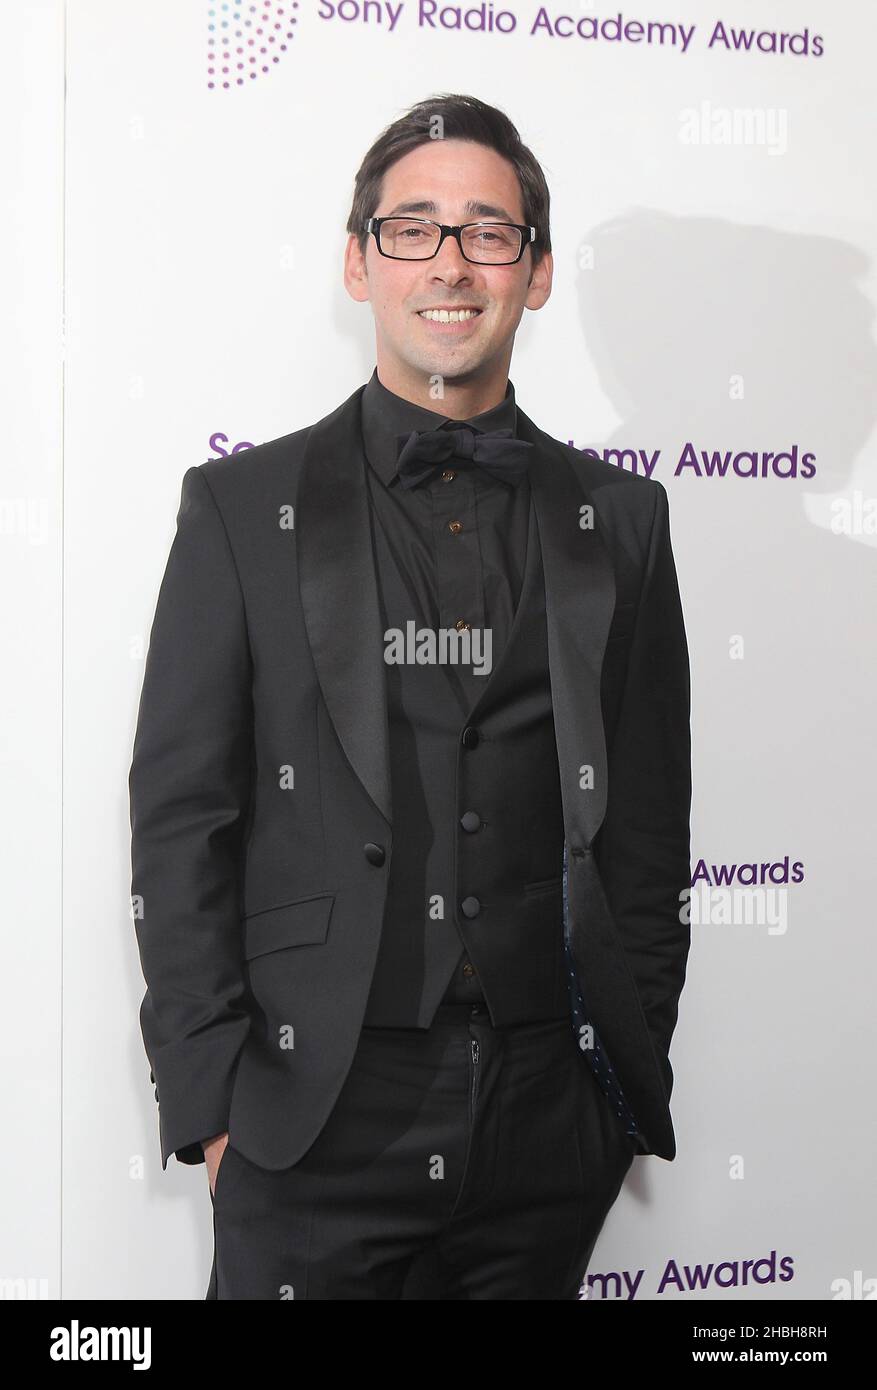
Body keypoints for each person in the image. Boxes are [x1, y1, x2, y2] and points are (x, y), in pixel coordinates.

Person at [129, 92, 692, 1300]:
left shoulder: (624, 523)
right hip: (310, 1114)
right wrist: (214, 1101)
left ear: (532, 275)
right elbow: (184, 818)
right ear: (357, 262)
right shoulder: (240, 512)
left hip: (548, 1119)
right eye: (412, 229)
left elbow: (646, 827)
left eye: (488, 233)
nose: (450, 262)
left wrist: (618, 1078)